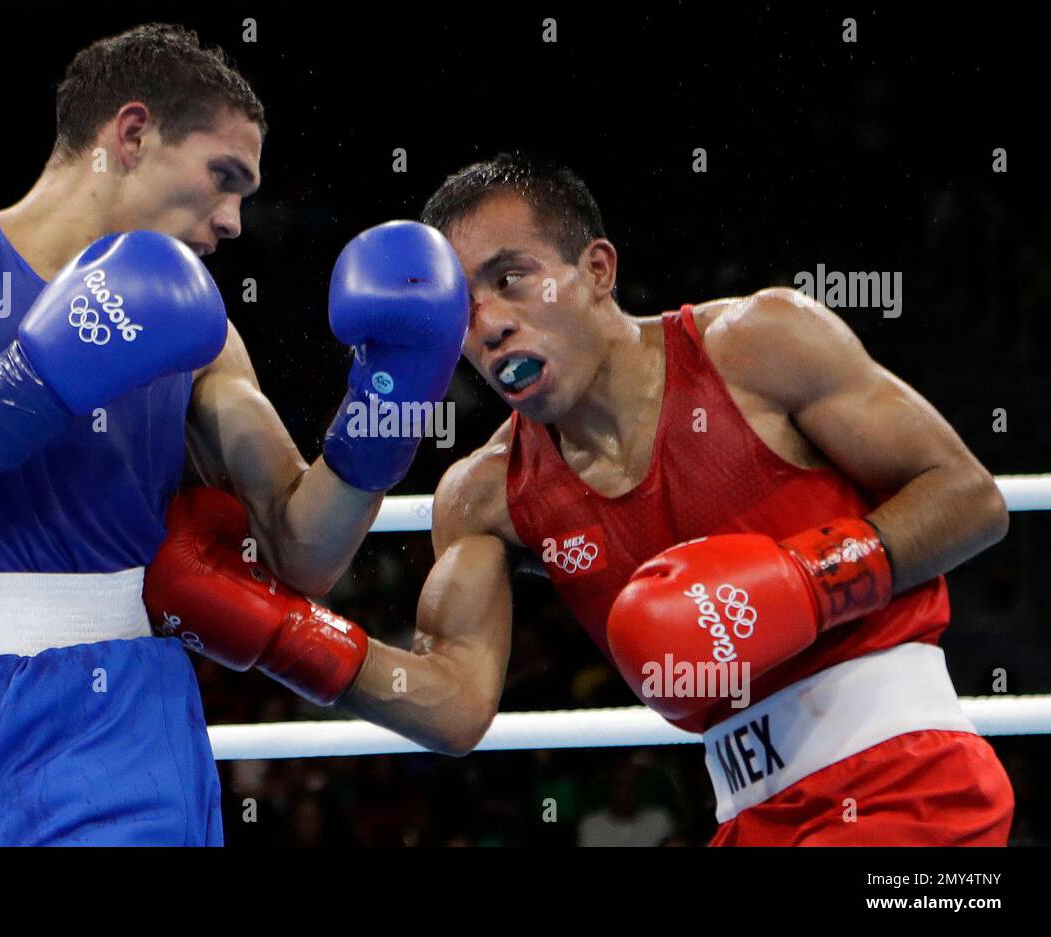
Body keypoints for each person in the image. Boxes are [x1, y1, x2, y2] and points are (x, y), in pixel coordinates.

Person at [145, 152, 1015, 845]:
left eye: (512, 277)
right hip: (752, 817)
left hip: (911, 783)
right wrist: (284, 632)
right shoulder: (487, 493)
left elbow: (969, 497)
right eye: (463, 305)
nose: (487, 324)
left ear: (596, 268)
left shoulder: (758, 345)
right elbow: (453, 701)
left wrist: (808, 580)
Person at [0, 23, 466, 845]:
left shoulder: (201, 334)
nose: (234, 220)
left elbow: (303, 546)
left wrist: (392, 402)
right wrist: (41, 377)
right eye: (221, 177)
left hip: (154, 713)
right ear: (131, 135)